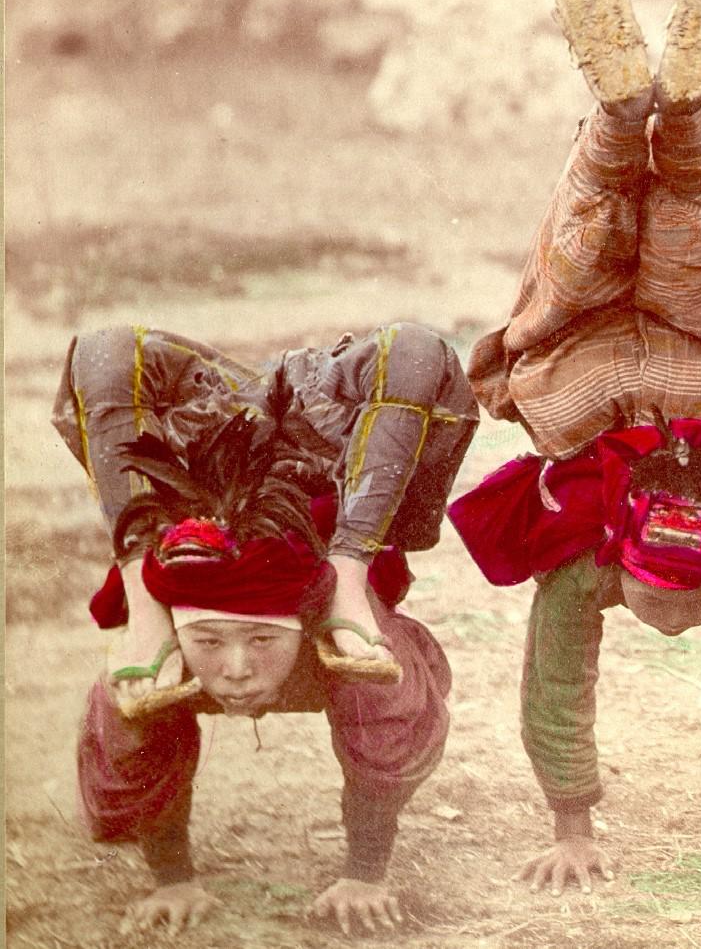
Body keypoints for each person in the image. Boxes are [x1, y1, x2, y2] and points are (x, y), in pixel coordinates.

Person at [459, 0, 701, 880]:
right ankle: (653, 118)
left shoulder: (605, 553)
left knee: (692, 232)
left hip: (694, 365)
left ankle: (649, 116)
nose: (666, 626)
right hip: (594, 372)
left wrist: (571, 826)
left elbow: (556, 685)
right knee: (583, 247)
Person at [59, 338, 473, 935]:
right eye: (209, 643)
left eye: (260, 642)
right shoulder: (159, 656)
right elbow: (103, 352)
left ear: (304, 630)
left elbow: (419, 350)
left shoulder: (357, 648)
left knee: (411, 351)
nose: (235, 669)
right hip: (212, 450)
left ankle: (348, 569)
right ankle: (151, 597)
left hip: (326, 457)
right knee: (106, 351)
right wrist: (172, 880)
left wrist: (365, 873)